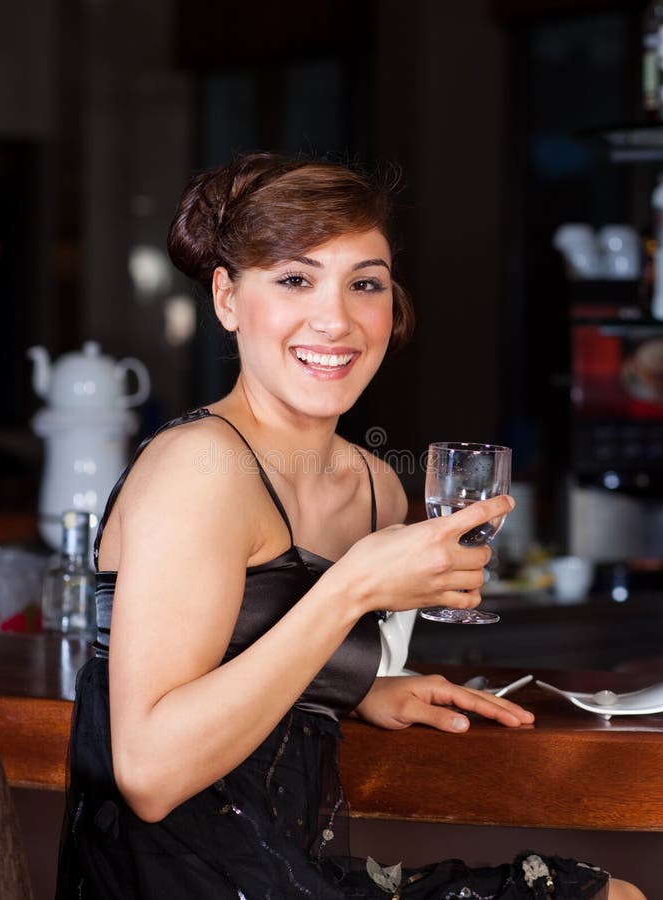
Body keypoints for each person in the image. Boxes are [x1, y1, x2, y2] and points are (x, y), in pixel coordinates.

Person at [56, 152, 644, 899]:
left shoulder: (373, 484)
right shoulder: (197, 469)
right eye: (295, 279)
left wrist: (364, 684)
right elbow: (149, 773)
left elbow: (248, 648)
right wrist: (353, 588)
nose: (335, 319)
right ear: (227, 299)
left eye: (364, 283)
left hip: (280, 870)